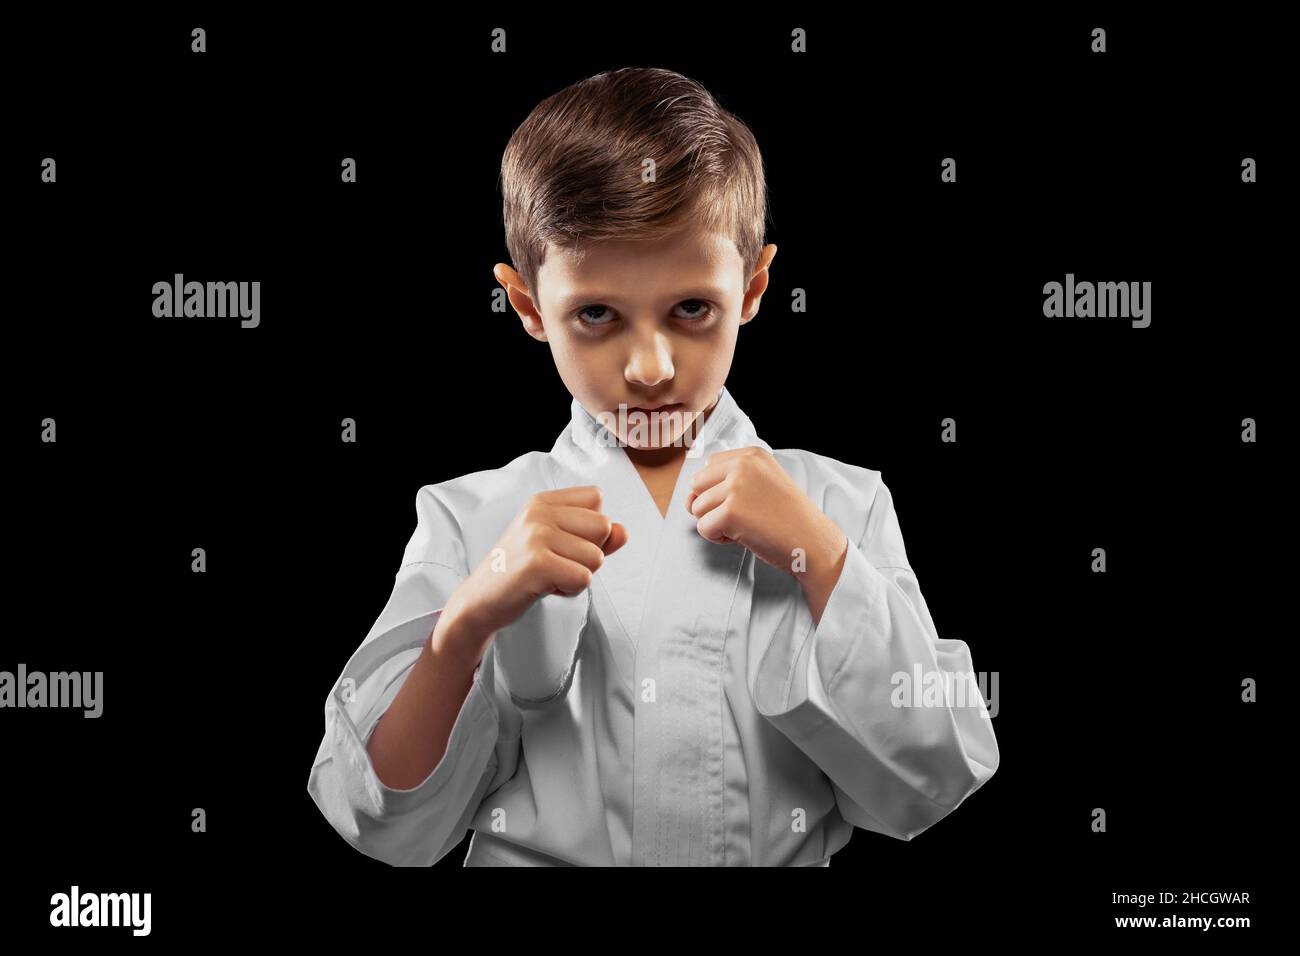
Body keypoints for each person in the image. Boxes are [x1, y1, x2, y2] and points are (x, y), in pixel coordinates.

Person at [306, 67, 999, 866]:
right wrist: (464, 625)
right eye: (596, 313)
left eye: (691, 308)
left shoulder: (841, 505)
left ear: (754, 287)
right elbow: (378, 820)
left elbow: (939, 774)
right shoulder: (471, 518)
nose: (649, 366)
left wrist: (826, 561)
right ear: (528, 307)